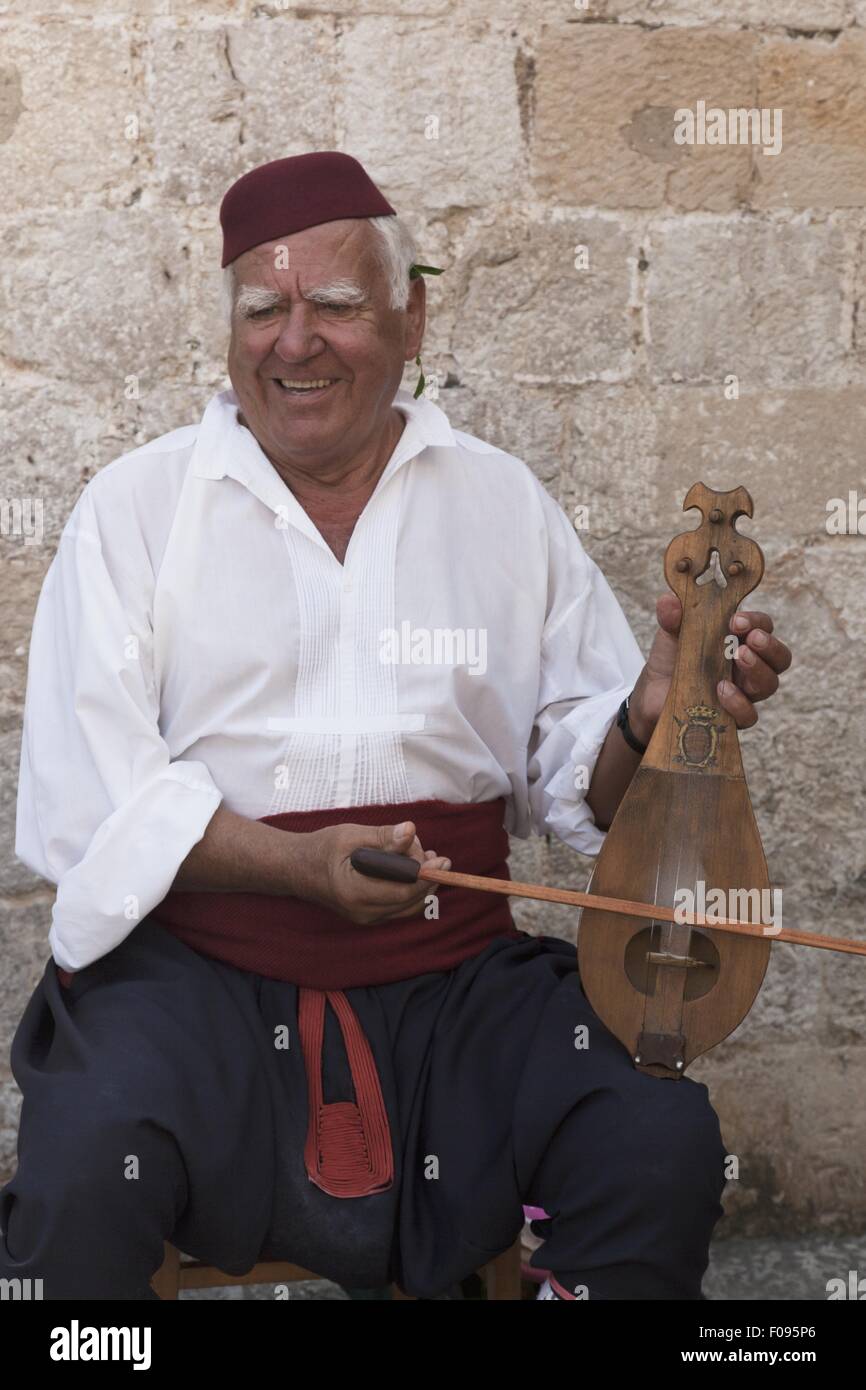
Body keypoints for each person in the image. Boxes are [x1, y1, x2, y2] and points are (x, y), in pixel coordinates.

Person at [0, 152, 792, 1301]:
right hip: (198, 978)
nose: (293, 341)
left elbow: (580, 784)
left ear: (410, 315)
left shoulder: (497, 503)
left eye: (332, 305)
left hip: (451, 975)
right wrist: (292, 865)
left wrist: (651, 721)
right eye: (263, 309)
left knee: (651, 1134)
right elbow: (88, 803)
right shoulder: (135, 512)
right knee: (80, 1175)